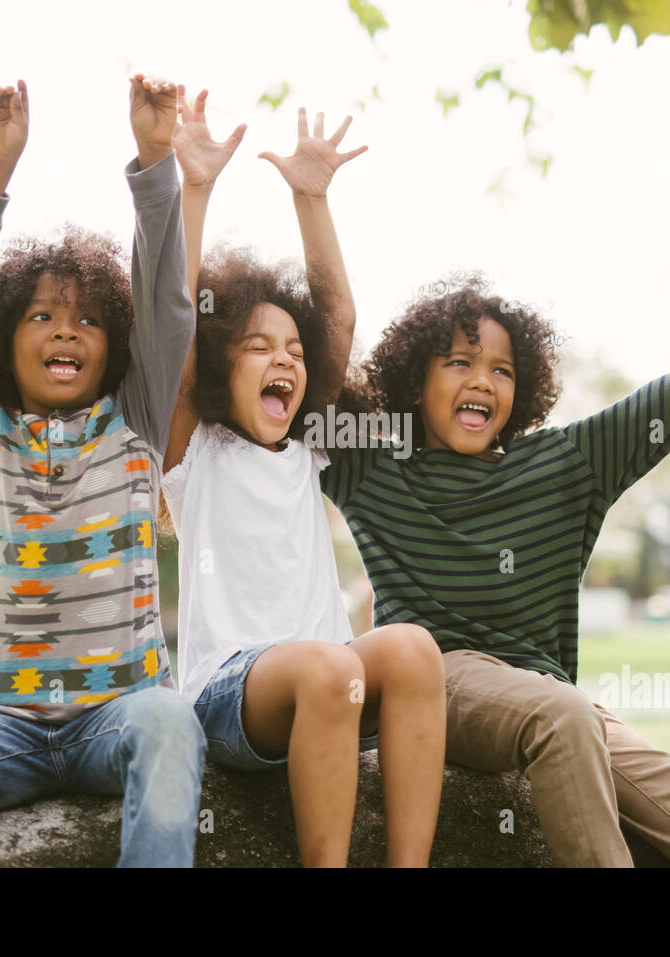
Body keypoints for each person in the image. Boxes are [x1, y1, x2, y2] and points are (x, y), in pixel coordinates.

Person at [321, 277, 670, 866]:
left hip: (547, 694)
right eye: (459, 362)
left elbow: (668, 403)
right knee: (562, 713)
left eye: (502, 370)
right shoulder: (375, 471)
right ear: (416, 380)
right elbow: (324, 357)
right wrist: (313, 201)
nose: (482, 380)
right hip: (437, 681)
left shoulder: (566, 465)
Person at [0, 75, 205, 867]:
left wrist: (156, 161)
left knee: (170, 720)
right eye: (43, 316)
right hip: (4, 728)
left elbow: (167, 304)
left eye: (89, 318)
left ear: (114, 342)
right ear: (6, 338)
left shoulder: (137, 420)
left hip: (117, 715)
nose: (66, 332)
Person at [160, 92, 446, 867]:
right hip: (230, 695)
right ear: (222, 363)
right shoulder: (198, 452)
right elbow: (174, 324)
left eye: (293, 347)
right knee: (331, 664)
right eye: (258, 346)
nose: (284, 359)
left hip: (330, 683)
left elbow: (339, 317)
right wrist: (193, 188)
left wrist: (311, 199)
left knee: (416, 648)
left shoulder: (308, 447)